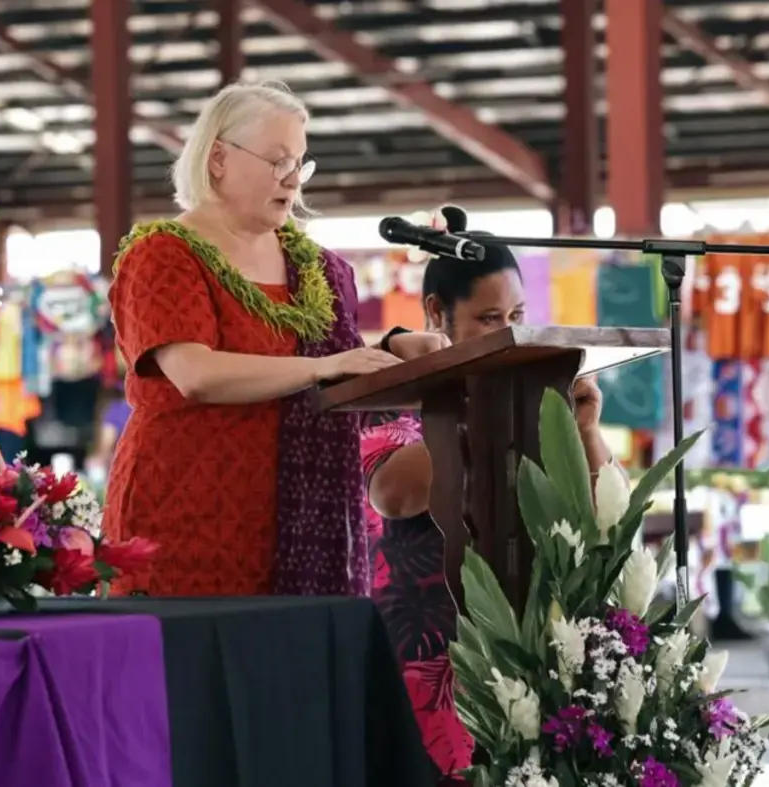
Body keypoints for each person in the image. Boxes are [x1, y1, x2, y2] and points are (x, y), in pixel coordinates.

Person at [104, 82, 448, 596]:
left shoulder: (320, 269)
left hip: (299, 529)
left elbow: (337, 367)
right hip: (181, 521)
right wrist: (324, 368)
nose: (292, 179)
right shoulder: (164, 255)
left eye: (301, 164)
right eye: (278, 161)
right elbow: (196, 374)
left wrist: (392, 352)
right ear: (218, 158)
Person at [360, 231, 619, 784]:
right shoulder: (391, 388)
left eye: (518, 314)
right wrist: (500, 415)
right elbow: (395, 492)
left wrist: (584, 430)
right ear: (436, 312)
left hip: (522, 651)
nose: (508, 333)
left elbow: (602, 513)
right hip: (428, 658)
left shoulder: (531, 394)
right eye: (488, 317)